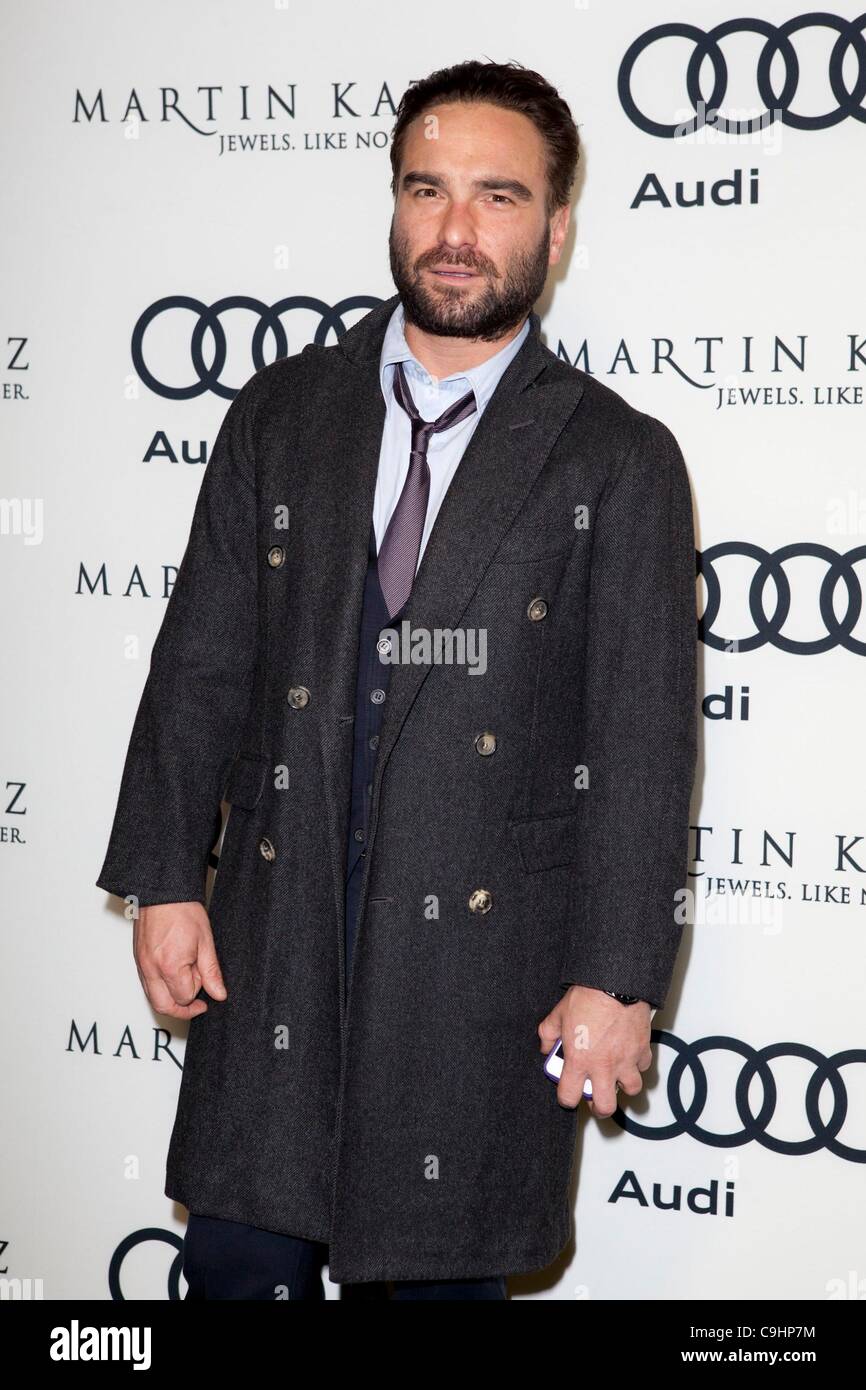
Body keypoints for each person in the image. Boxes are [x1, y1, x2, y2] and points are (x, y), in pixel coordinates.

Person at [96, 58, 697, 1301]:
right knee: (236, 1274)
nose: (456, 232)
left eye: (498, 196)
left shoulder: (617, 458)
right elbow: (199, 660)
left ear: (557, 224)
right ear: (393, 203)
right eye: (427, 191)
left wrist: (619, 977)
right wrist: (163, 876)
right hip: (273, 944)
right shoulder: (278, 414)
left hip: (480, 978)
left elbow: (639, 744)